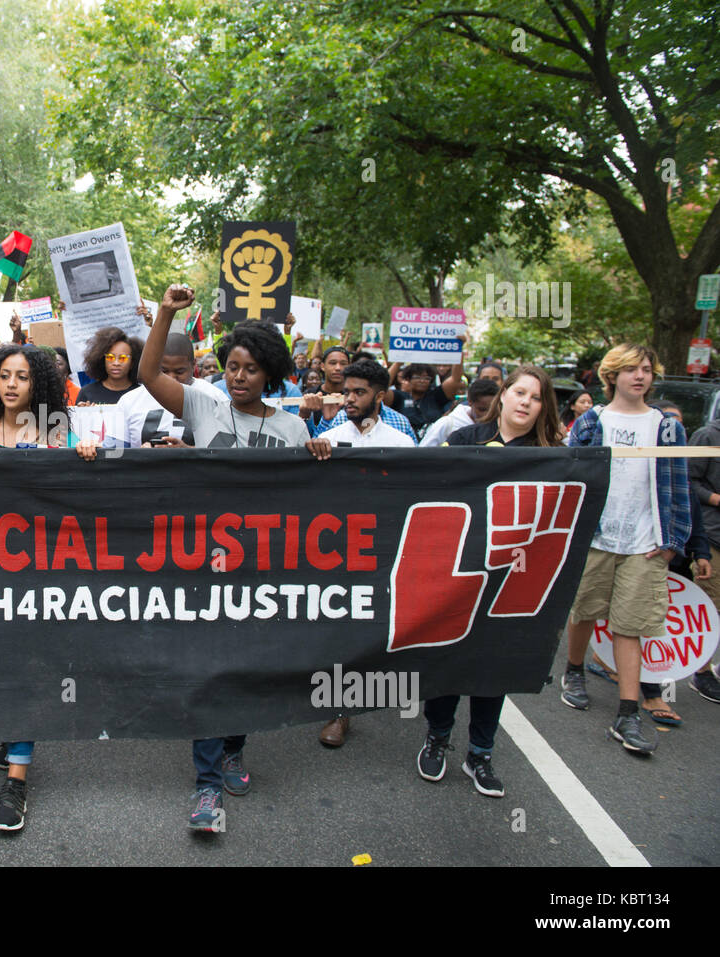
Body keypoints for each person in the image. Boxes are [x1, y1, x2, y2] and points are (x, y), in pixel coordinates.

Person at [140, 284, 314, 832]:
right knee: (211, 672)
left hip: (263, 573)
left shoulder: (292, 429)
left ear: (271, 375)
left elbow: (309, 504)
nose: (239, 377)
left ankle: (236, 748)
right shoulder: (203, 406)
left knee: (248, 670)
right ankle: (207, 786)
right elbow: (148, 375)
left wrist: (321, 454)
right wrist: (167, 313)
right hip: (204, 569)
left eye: (251, 369)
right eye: (232, 366)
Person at [0, 343, 98, 832]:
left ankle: (17, 780)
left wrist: (84, 453)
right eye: (3, 375)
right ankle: (11, 733)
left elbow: (80, 487)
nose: (11, 384)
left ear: (38, 383)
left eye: (22, 376)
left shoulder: (57, 430)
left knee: (29, 665)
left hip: (40, 570)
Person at [417, 364, 565, 797]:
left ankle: (480, 752)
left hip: (515, 573)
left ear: (543, 408)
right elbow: (427, 485)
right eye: (519, 392)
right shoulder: (463, 440)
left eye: (536, 398)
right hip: (460, 570)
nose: (525, 402)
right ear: (502, 396)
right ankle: (437, 737)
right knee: (449, 655)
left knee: (494, 664)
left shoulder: (552, 453)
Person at [562, 344, 690, 755]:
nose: (641, 376)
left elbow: (680, 485)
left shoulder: (668, 428)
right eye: (632, 369)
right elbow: (568, 476)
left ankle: (628, 713)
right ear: (612, 375)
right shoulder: (591, 421)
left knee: (629, 625)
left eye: (648, 369)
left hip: (647, 543)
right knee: (584, 610)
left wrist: (673, 542)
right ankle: (574, 670)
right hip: (595, 537)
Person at [303, 357, 413, 747]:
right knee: (336, 625)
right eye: (346, 391)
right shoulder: (328, 437)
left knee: (364, 628)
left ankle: (343, 710)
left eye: (359, 392)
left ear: (380, 396)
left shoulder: (402, 444)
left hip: (381, 552)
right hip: (334, 551)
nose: (349, 398)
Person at [111, 333, 226, 448]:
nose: (171, 378)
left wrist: (187, 451)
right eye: (163, 371)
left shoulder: (215, 397)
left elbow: (228, 452)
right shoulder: (129, 401)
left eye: (179, 372)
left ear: (193, 365)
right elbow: (114, 453)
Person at [687, 406, 720, 703]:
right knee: (710, 608)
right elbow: (689, 481)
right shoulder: (708, 435)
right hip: (713, 535)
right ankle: (702, 672)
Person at [390, 343, 465, 440]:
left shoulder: (436, 396)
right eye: (417, 377)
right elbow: (381, 387)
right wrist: (397, 362)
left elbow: (456, 379)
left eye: (426, 378)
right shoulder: (399, 397)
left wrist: (458, 349)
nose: (422, 381)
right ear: (408, 379)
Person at [418, 377, 500, 448]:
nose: (487, 415)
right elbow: (423, 453)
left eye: (492, 410)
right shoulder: (448, 424)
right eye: (482, 409)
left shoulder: (499, 426)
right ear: (470, 401)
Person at [75, 327, 144, 405]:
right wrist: (84, 413)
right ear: (102, 360)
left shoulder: (141, 394)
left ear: (132, 363)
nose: (116, 363)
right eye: (110, 357)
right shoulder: (86, 392)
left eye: (122, 358)